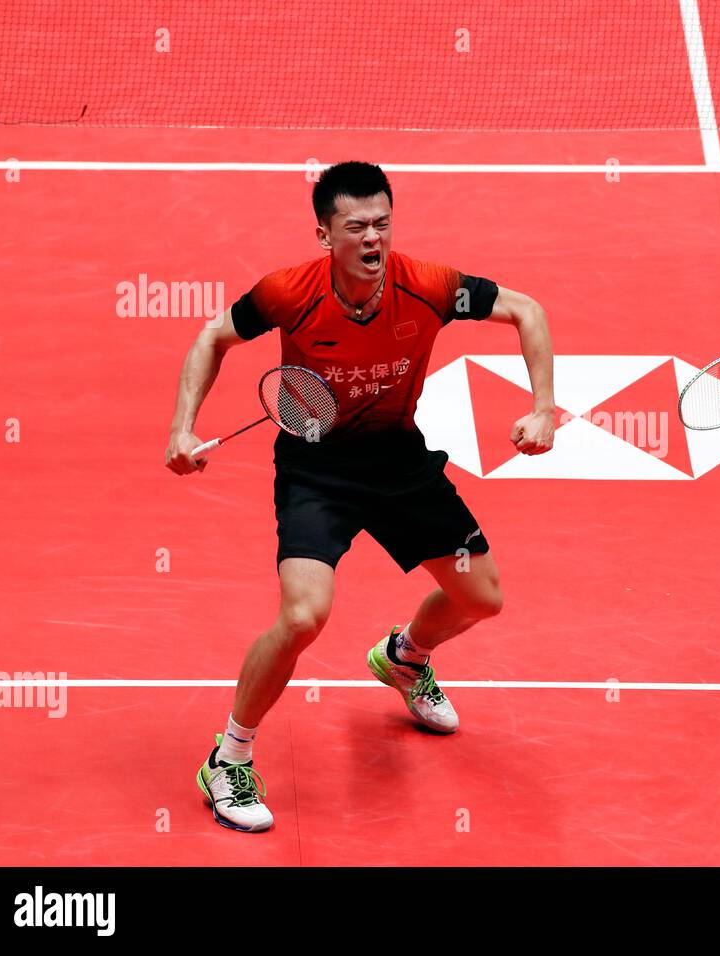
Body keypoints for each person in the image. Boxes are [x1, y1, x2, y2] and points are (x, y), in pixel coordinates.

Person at [165, 161, 555, 829]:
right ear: (325, 234)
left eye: (382, 223)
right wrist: (182, 427)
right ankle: (228, 758)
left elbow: (526, 309)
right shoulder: (289, 293)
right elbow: (213, 337)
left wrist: (544, 407)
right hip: (317, 472)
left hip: (399, 462)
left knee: (481, 598)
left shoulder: (429, 286)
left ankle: (404, 657)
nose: (373, 239)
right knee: (302, 618)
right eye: (356, 227)